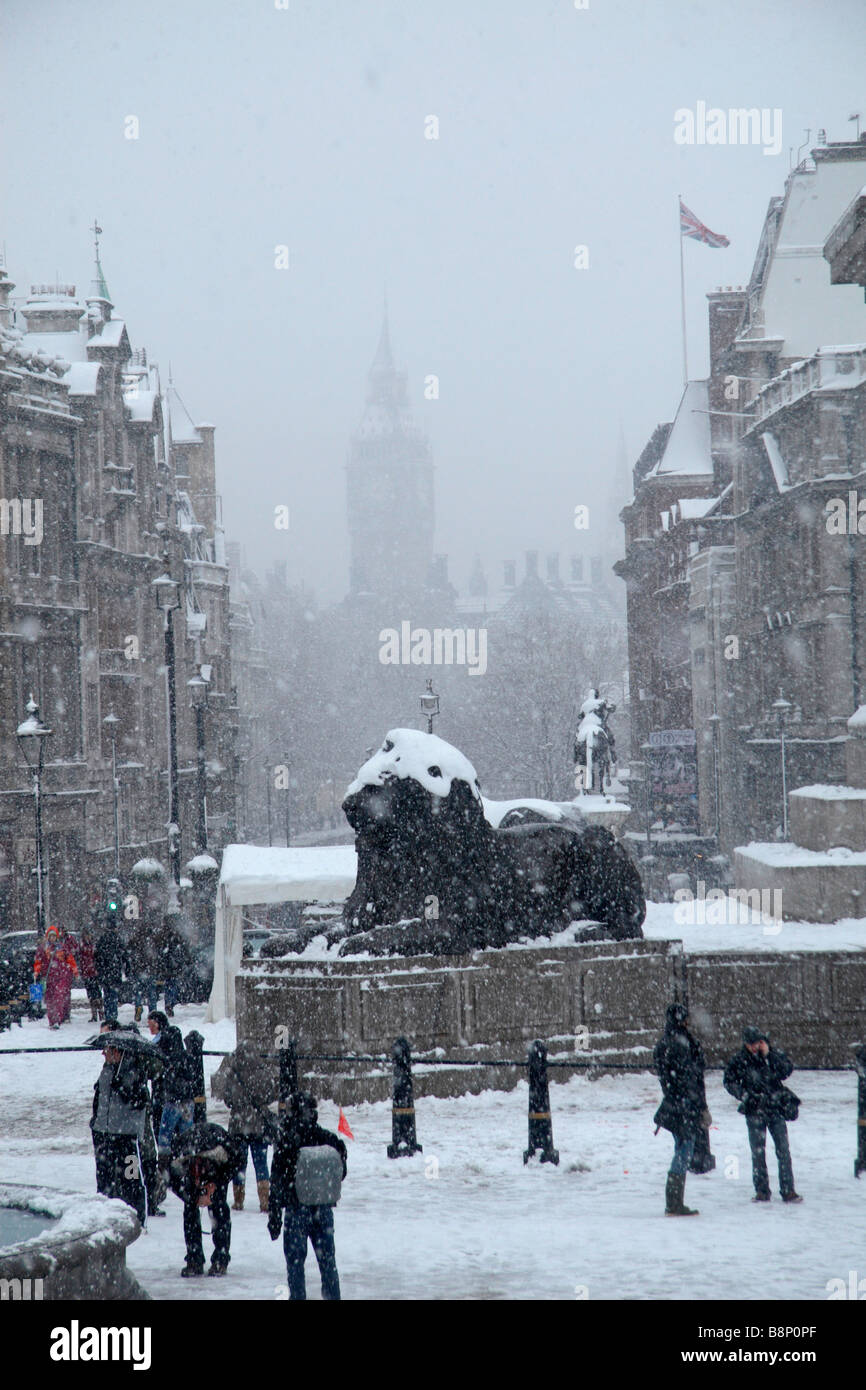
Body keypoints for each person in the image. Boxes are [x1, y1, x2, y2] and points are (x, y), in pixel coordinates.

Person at [268, 1092, 347, 1300]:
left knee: (295, 1266)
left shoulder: (286, 1142)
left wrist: (274, 1217)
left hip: (296, 1210)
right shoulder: (328, 1139)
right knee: (328, 1263)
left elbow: (276, 1182)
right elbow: (341, 1169)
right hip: (323, 1209)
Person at [723, 1026, 803, 1203]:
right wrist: (744, 1095)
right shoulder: (739, 1060)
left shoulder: (771, 1055)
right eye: (751, 1044)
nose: (754, 1047)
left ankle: (788, 1190)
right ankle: (762, 1190)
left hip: (774, 1107)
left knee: (783, 1150)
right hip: (755, 1108)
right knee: (758, 1152)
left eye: (757, 1043)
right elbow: (729, 1081)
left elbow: (786, 1070)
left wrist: (769, 1055)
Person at [653, 1002, 710, 1216]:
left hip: (676, 1102)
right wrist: (696, 1103)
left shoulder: (666, 1043)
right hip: (685, 1104)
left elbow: (666, 1075)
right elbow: (692, 1076)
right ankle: (674, 1202)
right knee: (684, 1149)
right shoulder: (681, 1044)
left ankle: (674, 1201)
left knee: (682, 1147)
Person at [90, 1034, 150, 1225]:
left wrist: (124, 1090)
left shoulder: (134, 1070)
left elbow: (141, 1101)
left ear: (117, 1051)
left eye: (107, 1050)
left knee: (130, 1178)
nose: (103, 1053)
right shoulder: (107, 1069)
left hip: (126, 1135)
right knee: (105, 1177)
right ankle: (105, 1214)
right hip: (104, 1132)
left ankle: (137, 1217)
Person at [169, 1121, 240, 1277]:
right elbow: (171, 1180)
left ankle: (220, 1260)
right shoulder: (178, 1159)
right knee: (189, 1211)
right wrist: (191, 1197)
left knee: (219, 1209)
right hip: (195, 1157)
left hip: (218, 1167)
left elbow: (236, 1163)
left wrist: (215, 1185)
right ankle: (194, 1259)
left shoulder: (222, 1154)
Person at [214, 1039, 279, 1212]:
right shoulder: (264, 1073)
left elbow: (228, 1099)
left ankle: (238, 1200)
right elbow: (270, 1095)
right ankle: (265, 1201)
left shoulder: (233, 1074)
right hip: (259, 1125)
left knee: (238, 1164)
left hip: (238, 1126)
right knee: (261, 1164)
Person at [148, 1013, 196, 1164]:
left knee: (164, 1136)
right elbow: (192, 1076)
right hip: (187, 1101)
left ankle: (165, 1166)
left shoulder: (166, 1057)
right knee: (186, 1135)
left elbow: (158, 1075)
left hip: (171, 1100)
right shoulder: (185, 1056)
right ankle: (188, 1163)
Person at [34, 926, 78, 1029]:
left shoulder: (61, 947)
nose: (52, 938)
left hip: (60, 977)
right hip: (49, 978)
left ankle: (57, 1019)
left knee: (59, 998)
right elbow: (38, 962)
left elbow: (70, 959)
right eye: (51, 936)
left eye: (54, 936)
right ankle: (52, 1020)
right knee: (50, 1000)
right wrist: (36, 972)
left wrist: (74, 971)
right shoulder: (43, 948)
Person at [94, 921, 126, 1024]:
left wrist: (99, 969)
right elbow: (124, 955)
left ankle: (108, 1016)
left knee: (107, 995)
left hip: (104, 973)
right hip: (115, 972)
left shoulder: (102, 940)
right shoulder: (118, 940)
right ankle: (113, 1016)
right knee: (113, 995)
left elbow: (96, 956)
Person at [129, 919, 158, 1023]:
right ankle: (153, 1015)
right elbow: (157, 955)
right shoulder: (152, 941)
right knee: (152, 994)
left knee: (138, 992)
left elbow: (129, 952)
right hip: (150, 971)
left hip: (138, 970)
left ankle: (138, 1006)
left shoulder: (135, 940)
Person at [78, 927, 103, 1023]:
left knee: (96, 993)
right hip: (87, 973)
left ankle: (100, 1012)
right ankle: (94, 1014)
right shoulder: (83, 946)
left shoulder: (92, 946)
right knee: (91, 994)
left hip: (93, 972)